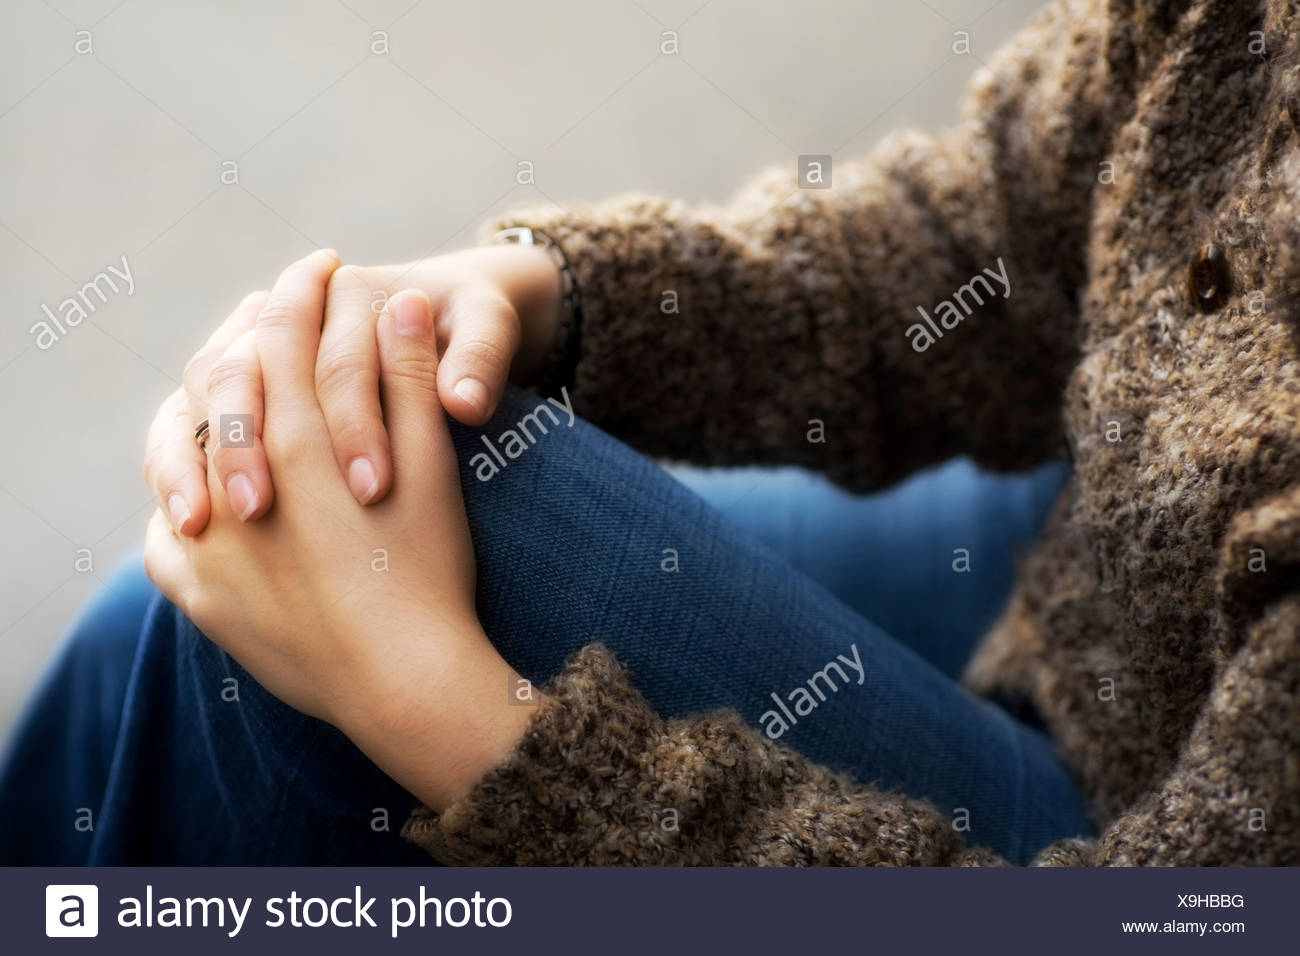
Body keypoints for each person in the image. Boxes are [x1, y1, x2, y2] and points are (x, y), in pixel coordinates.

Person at [4, 0, 1299, 866]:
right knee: (197, 592)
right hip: (1118, 556)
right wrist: (560, 293)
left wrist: (457, 723)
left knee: (373, 550)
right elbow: (1013, 227)